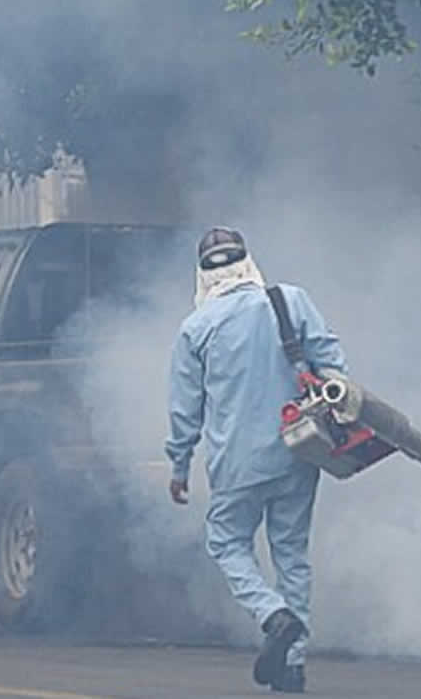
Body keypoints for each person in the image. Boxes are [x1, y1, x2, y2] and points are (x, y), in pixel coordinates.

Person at [165, 226, 347, 694]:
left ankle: (272, 616)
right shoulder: (289, 300)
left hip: (236, 463)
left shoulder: (195, 329)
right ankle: (294, 665)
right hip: (300, 449)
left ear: (204, 275)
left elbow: (186, 410)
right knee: (291, 555)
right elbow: (332, 362)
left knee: (227, 542)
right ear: (247, 262)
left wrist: (179, 465)